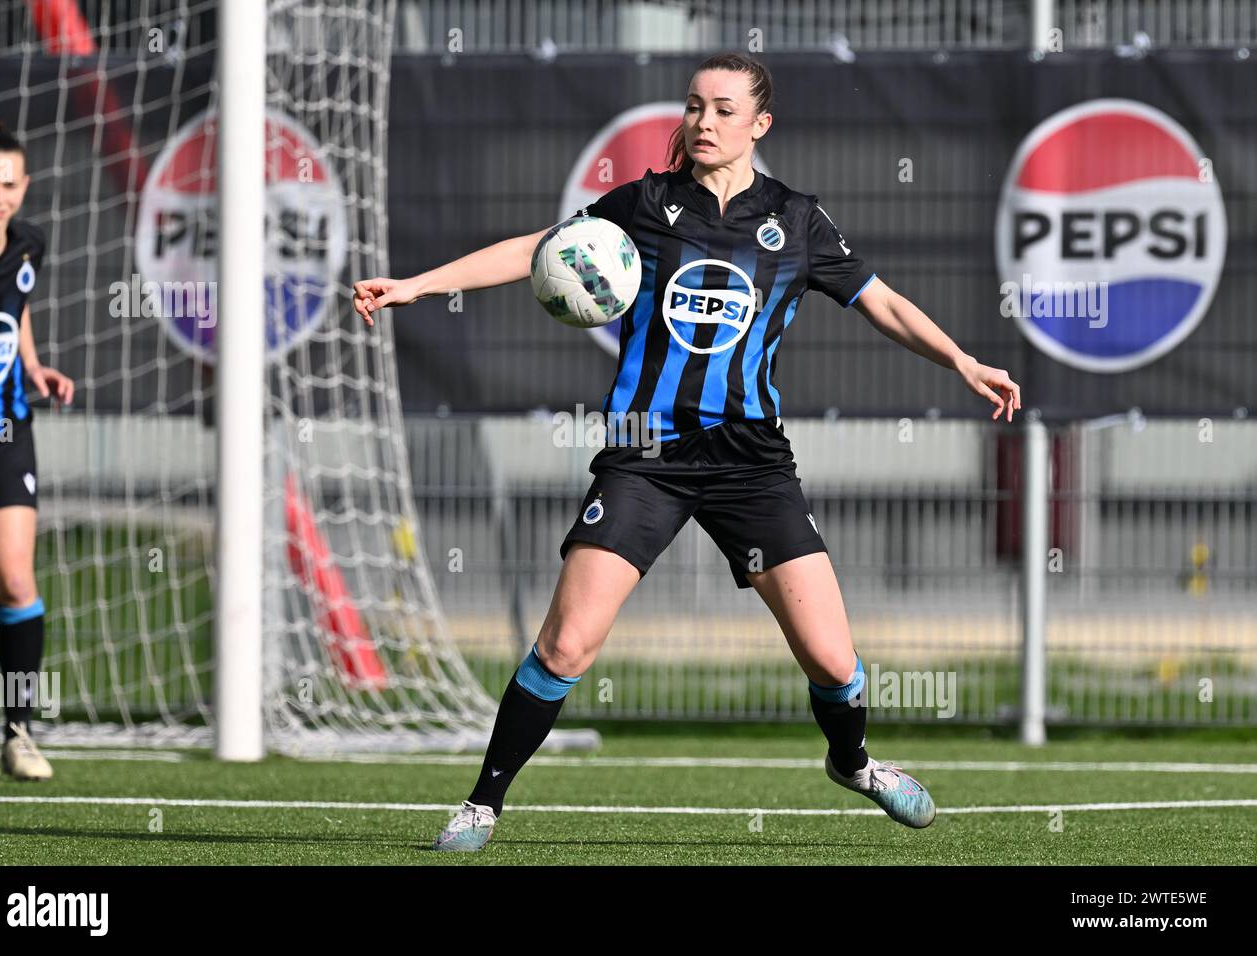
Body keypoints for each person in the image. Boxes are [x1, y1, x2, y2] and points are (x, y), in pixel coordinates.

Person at [353, 52, 1019, 852]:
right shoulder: (643, 203)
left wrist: (962, 360)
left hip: (751, 462)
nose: (705, 122)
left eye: (725, 110)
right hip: (647, 455)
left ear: (759, 124)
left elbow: (881, 303)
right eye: (696, 106)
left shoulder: (797, 220)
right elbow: (539, 248)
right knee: (567, 642)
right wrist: (416, 285)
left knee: (833, 662)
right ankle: (481, 805)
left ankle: (855, 765)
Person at [0, 120, 74, 783]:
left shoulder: (30, 242)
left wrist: (33, 367)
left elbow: (15, 306)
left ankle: (19, 731)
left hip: (4, 432)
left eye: (7, 184)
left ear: (23, 187)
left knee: (17, 579)